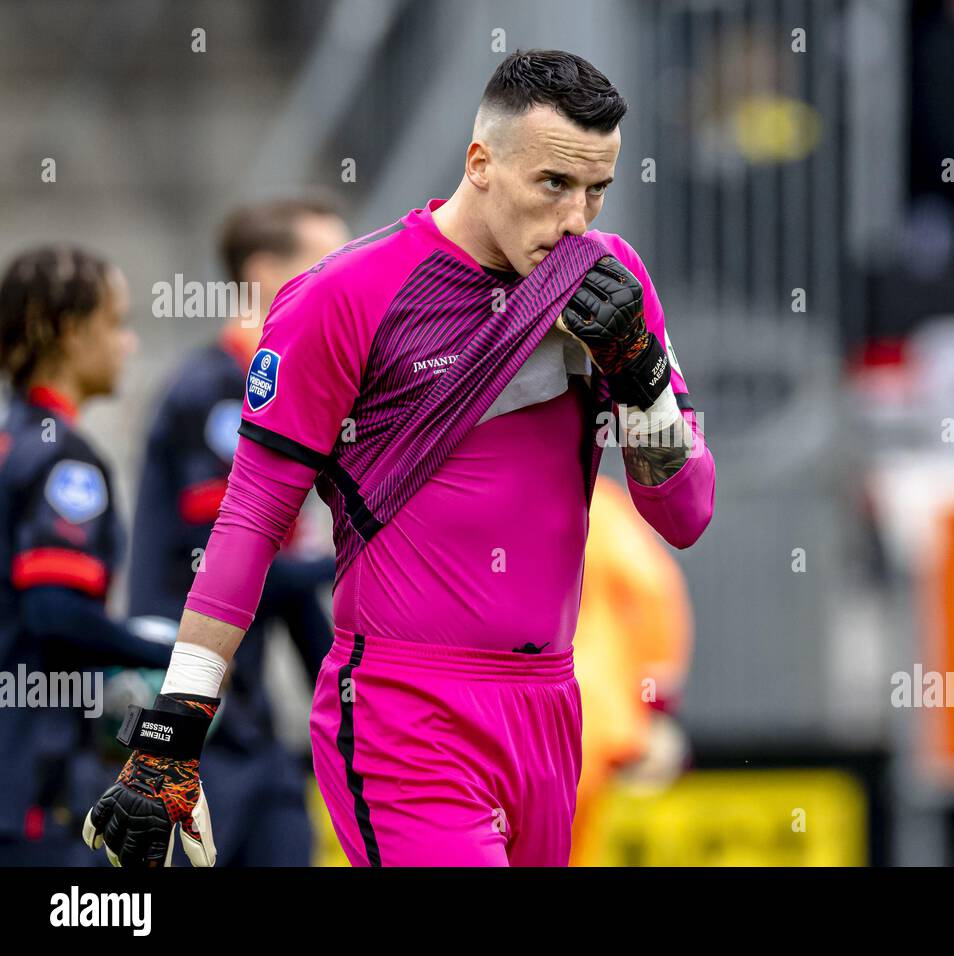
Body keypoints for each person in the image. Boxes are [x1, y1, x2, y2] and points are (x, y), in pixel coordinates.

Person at [84, 48, 716, 868]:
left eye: (596, 190)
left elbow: (686, 513)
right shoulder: (343, 297)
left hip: (552, 711)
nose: (574, 220)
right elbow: (249, 522)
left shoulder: (609, 282)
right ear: (480, 163)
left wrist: (646, 385)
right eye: (553, 185)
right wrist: (175, 727)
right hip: (402, 709)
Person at [108, 198, 349, 866]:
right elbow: (227, 562)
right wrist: (361, 556)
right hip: (188, 718)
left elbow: (285, 579)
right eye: (326, 262)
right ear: (267, 272)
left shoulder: (289, 387)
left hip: (249, 720)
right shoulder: (215, 390)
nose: (347, 278)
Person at [0, 245, 174, 865]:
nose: (127, 343)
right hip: (26, 790)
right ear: (71, 333)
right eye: (116, 323)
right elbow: (53, 612)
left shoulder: (12, 441)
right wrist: (174, 657)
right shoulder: (64, 462)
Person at [569, 474, 694, 865]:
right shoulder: (600, 504)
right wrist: (656, 704)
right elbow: (651, 588)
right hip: (596, 716)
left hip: (500, 710)